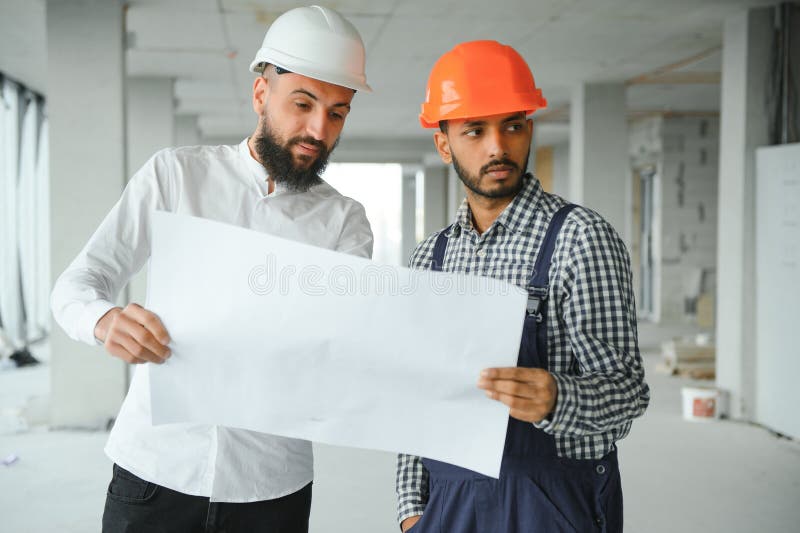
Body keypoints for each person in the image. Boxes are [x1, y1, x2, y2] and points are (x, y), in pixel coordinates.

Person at [50, 6, 373, 532]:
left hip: (273, 485)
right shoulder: (175, 176)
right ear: (261, 94)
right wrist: (103, 320)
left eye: (337, 112)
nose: (319, 128)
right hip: (154, 473)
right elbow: (76, 285)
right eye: (303, 103)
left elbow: (345, 346)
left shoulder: (345, 222)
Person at [396, 40, 650, 533]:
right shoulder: (431, 258)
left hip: (554, 505)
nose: (498, 146)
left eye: (512, 125)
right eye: (475, 130)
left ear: (528, 128)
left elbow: (628, 394)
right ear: (444, 143)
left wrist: (559, 399)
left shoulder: (580, 238)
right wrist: (411, 509)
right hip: (449, 503)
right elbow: (416, 399)